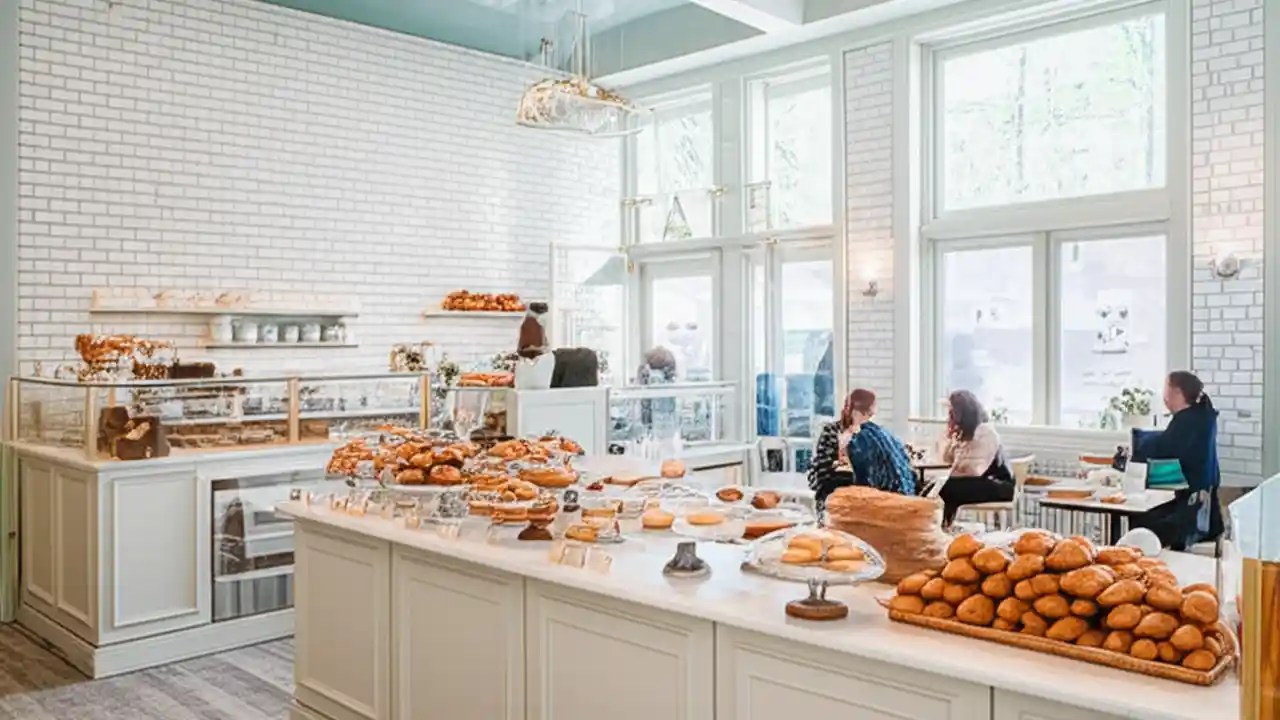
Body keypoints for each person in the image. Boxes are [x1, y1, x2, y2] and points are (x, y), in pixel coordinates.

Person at [1131, 371, 1223, 549]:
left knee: (1138, 524)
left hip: (1191, 512)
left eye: (1166, 391)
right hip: (1204, 506)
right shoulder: (1203, 415)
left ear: (1178, 393)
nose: (1164, 398)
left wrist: (1133, 452)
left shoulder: (1186, 422)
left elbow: (1164, 448)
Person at [936, 390, 1014, 526]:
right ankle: (945, 525)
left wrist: (949, 473)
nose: (949, 419)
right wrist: (950, 440)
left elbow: (973, 470)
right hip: (976, 481)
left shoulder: (984, 432)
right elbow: (947, 460)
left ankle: (945, 526)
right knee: (937, 485)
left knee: (945, 487)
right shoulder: (964, 433)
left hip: (998, 485)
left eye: (952, 415)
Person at [844, 388, 916, 496]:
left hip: (881, 498)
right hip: (903, 494)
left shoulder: (860, 438)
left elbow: (863, 477)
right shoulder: (883, 433)